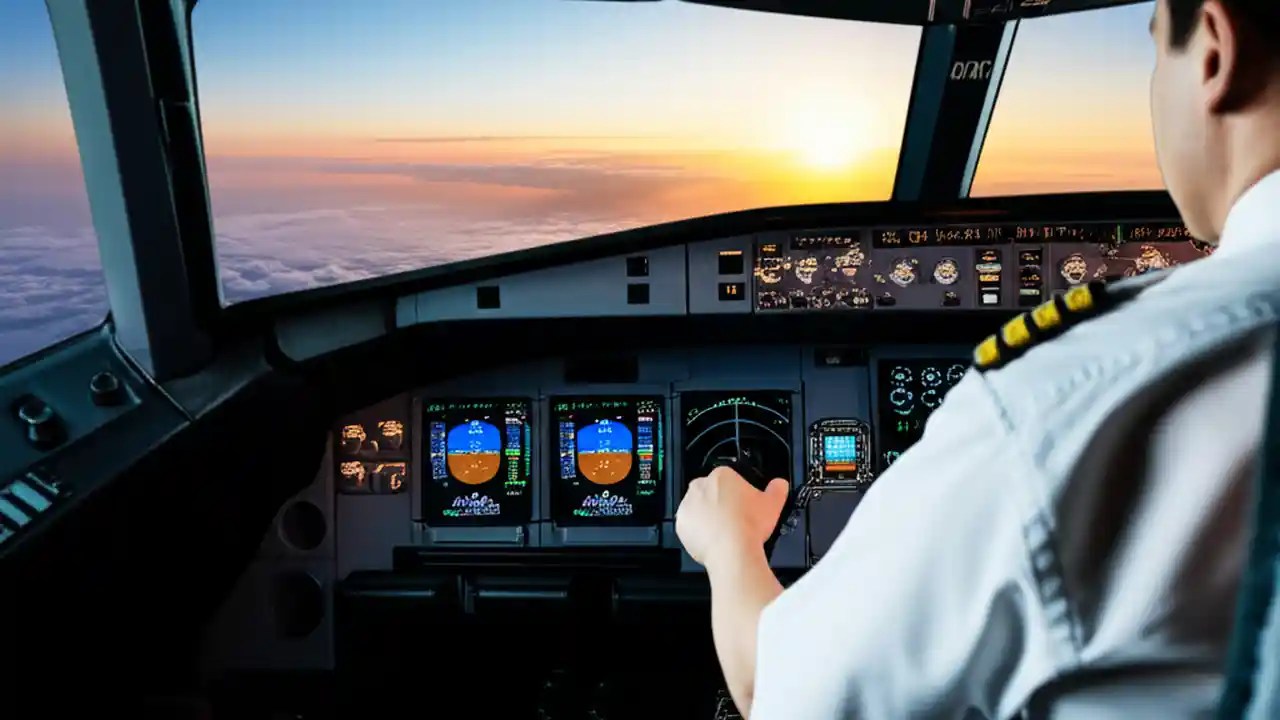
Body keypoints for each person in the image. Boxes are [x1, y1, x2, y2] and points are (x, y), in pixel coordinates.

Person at [675, 0, 1280, 717]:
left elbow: (778, 691)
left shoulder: (1065, 398)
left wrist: (729, 541)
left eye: (1155, 53)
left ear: (1213, 50)